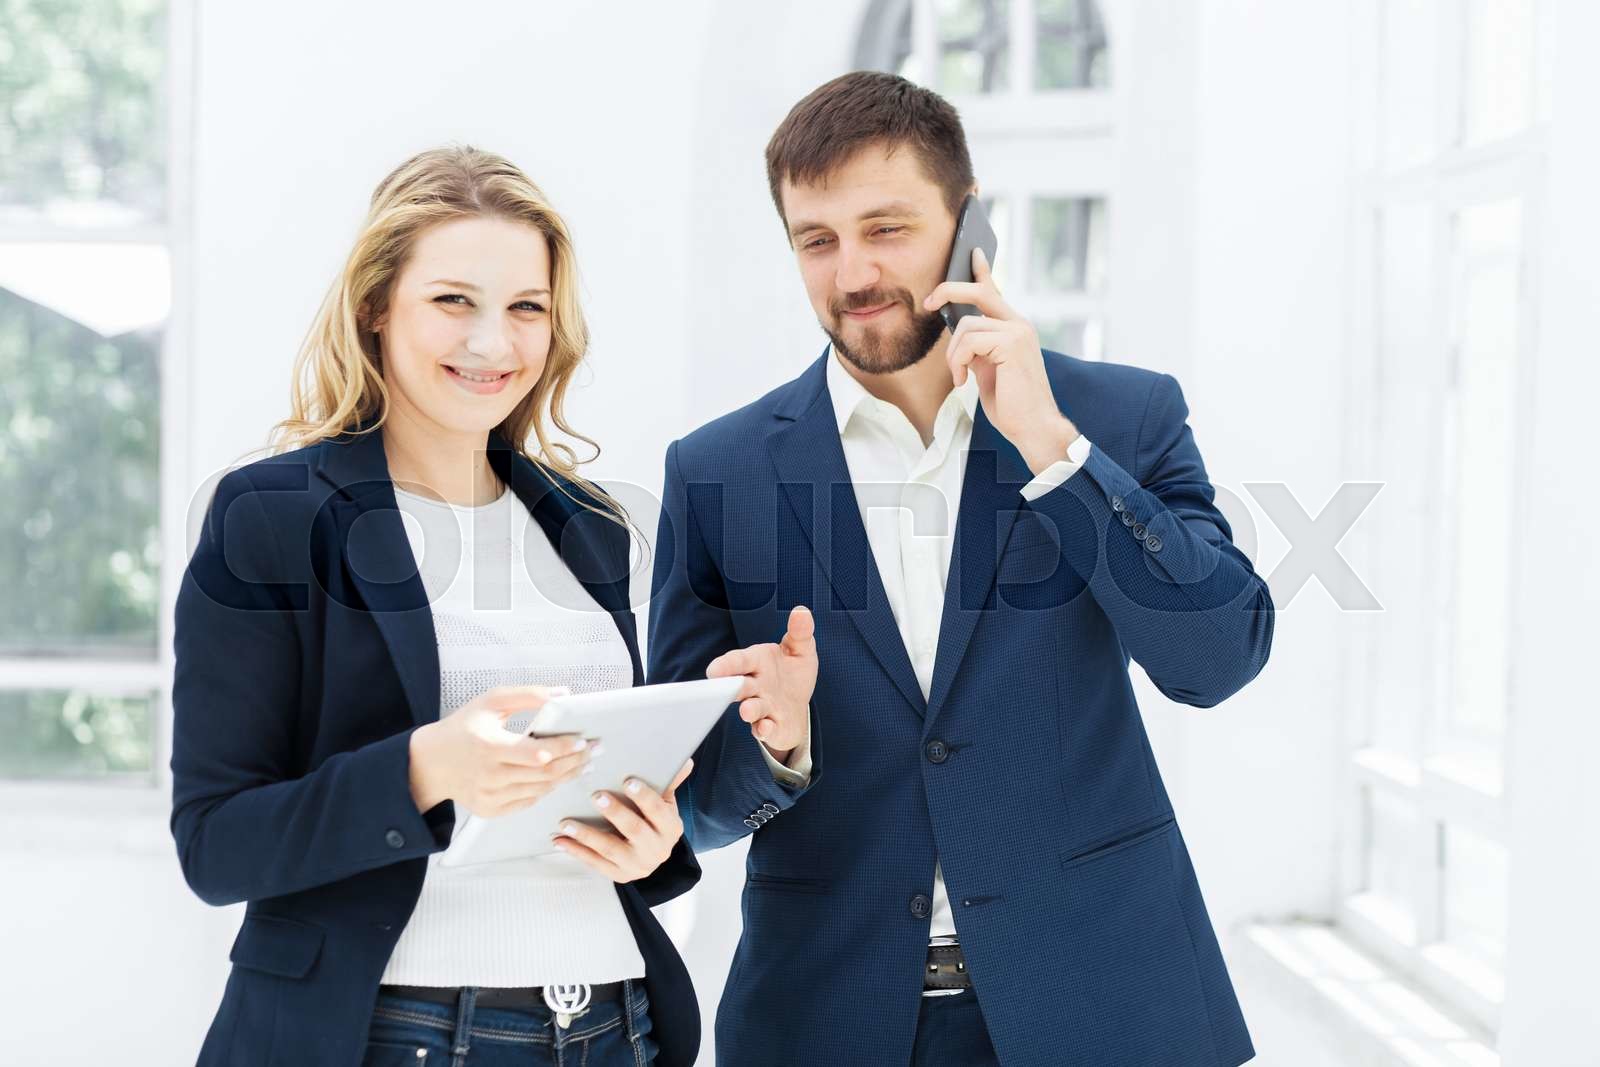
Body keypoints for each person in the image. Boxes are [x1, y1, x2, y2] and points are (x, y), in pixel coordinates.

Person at [650, 72, 1275, 1066]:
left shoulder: (1116, 417)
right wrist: (773, 751)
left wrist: (1052, 450)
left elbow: (1218, 655)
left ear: (971, 222)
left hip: (1102, 1005)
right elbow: (688, 803)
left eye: (885, 228)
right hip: (825, 1020)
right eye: (816, 239)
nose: (851, 270)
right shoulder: (716, 471)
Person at [170, 145, 815, 1067]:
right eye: (452, 302)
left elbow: (615, 813)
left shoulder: (587, 523)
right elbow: (214, 843)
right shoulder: (271, 515)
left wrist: (673, 819)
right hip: (403, 1032)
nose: (493, 343)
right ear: (375, 309)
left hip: (611, 1024)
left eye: (525, 309)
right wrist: (427, 766)